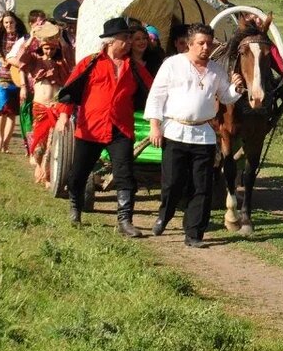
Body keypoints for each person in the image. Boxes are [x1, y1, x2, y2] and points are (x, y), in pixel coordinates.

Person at [145, 23, 243, 248]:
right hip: (175, 131)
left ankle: (194, 233)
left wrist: (235, 89)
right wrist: (154, 126)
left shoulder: (216, 70)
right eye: (201, 43)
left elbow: (225, 97)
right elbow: (157, 96)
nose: (206, 48)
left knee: (203, 186)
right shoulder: (172, 64)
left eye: (209, 43)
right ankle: (165, 215)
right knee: (173, 183)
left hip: (203, 135)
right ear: (189, 44)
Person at [55, 17, 154, 235]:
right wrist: (63, 117)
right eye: (124, 38)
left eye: (129, 38)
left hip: (121, 129)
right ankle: (75, 209)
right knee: (79, 173)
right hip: (90, 128)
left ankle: (125, 221)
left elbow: (155, 92)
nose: (128, 42)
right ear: (110, 41)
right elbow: (69, 91)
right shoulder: (90, 63)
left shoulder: (134, 67)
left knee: (125, 174)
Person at [11, 22, 73, 184]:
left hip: (57, 107)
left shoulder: (62, 63)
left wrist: (62, 38)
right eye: (46, 48)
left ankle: (49, 175)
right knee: (40, 145)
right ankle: (39, 166)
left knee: (54, 144)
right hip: (40, 107)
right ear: (41, 47)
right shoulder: (34, 61)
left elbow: (69, 53)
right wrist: (31, 37)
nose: (49, 51)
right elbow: (20, 58)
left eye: (52, 48)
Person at [0, 12, 29, 153]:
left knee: (12, 112)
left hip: (17, 78)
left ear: (16, 23)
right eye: (6, 23)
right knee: (3, 110)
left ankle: (6, 143)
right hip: (2, 77)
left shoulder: (23, 38)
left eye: (11, 22)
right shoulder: (0, 37)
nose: (8, 25)